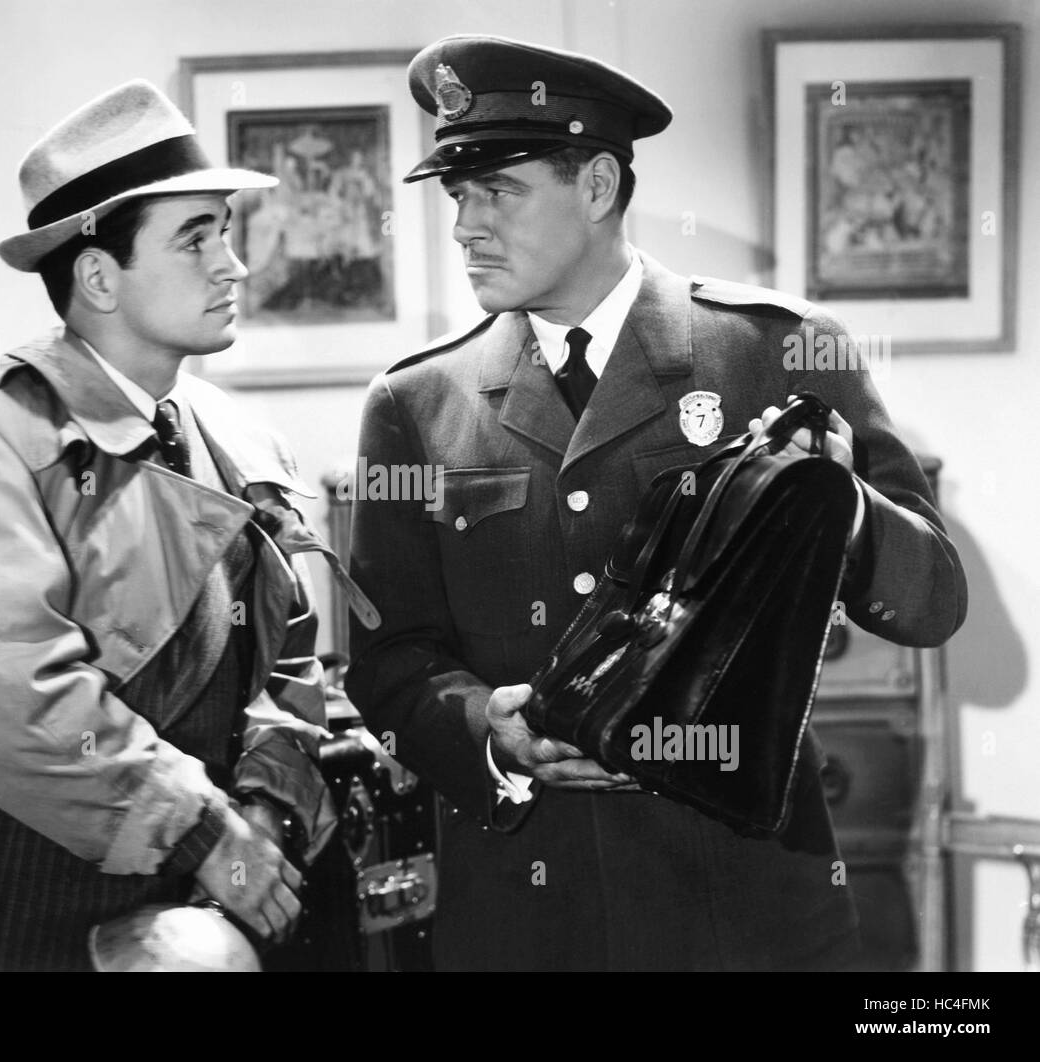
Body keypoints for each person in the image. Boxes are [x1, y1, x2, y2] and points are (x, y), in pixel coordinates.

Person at [345, 35, 968, 971]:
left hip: (748, 914)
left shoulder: (776, 350)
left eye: (498, 191)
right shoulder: (417, 405)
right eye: (457, 196)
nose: (466, 225)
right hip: (528, 913)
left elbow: (931, 605)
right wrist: (491, 730)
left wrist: (840, 505)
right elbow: (388, 659)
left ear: (598, 187)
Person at [0, 80, 337, 971]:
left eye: (225, 231)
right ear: (98, 275)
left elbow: (287, 664)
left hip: (194, 916)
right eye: (196, 238)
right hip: (8, 906)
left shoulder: (237, 440)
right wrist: (205, 830)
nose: (234, 265)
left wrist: (262, 813)